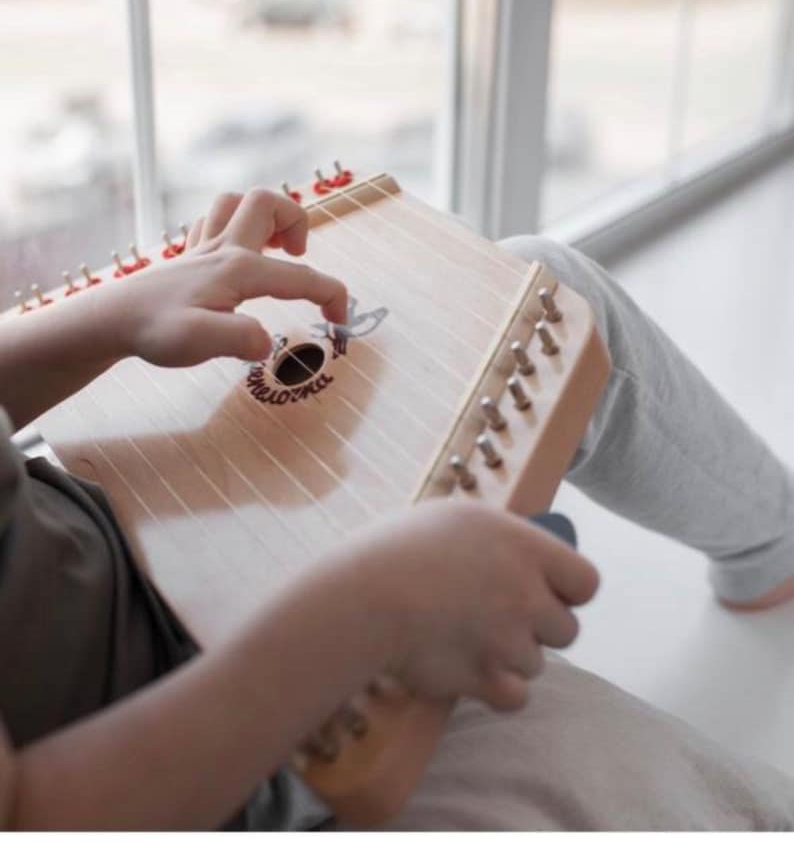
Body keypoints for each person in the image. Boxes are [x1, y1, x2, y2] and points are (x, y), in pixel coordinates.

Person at [1, 189, 793, 831]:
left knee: (535, 287)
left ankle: (772, 544)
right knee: (568, 751)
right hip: (197, 769)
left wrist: (120, 311)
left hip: (115, 521)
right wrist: (375, 606)